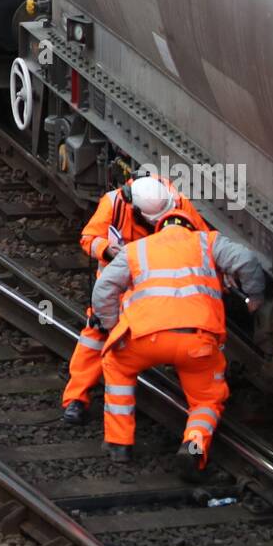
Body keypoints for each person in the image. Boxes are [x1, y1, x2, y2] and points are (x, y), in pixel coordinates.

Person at [91, 207, 265, 475]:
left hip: (143, 339)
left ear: (159, 226)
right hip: (196, 343)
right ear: (191, 226)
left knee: (116, 366)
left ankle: (119, 444)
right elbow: (246, 261)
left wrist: (112, 325)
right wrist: (254, 297)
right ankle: (192, 449)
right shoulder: (207, 242)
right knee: (207, 401)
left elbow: (104, 288)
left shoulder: (138, 248)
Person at [62, 176, 208, 425]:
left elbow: (203, 241)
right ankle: (76, 398)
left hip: (156, 289)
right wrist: (106, 249)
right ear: (136, 210)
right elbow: (89, 237)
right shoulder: (114, 203)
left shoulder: (178, 203)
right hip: (117, 289)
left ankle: (191, 403)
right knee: (96, 333)